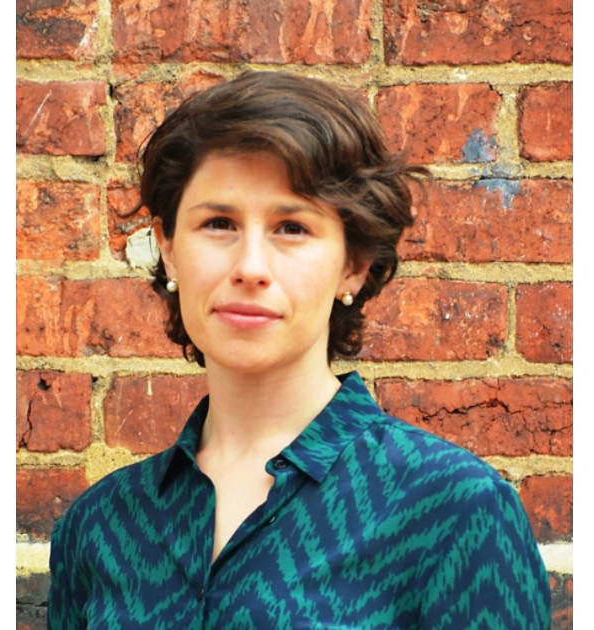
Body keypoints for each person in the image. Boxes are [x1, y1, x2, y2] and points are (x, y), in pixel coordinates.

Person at [47, 71, 551, 629]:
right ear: (168, 249)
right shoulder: (101, 526)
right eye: (218, 223)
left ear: (353, 264)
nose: (250, 267)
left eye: (291, 228)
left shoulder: (453, 509)